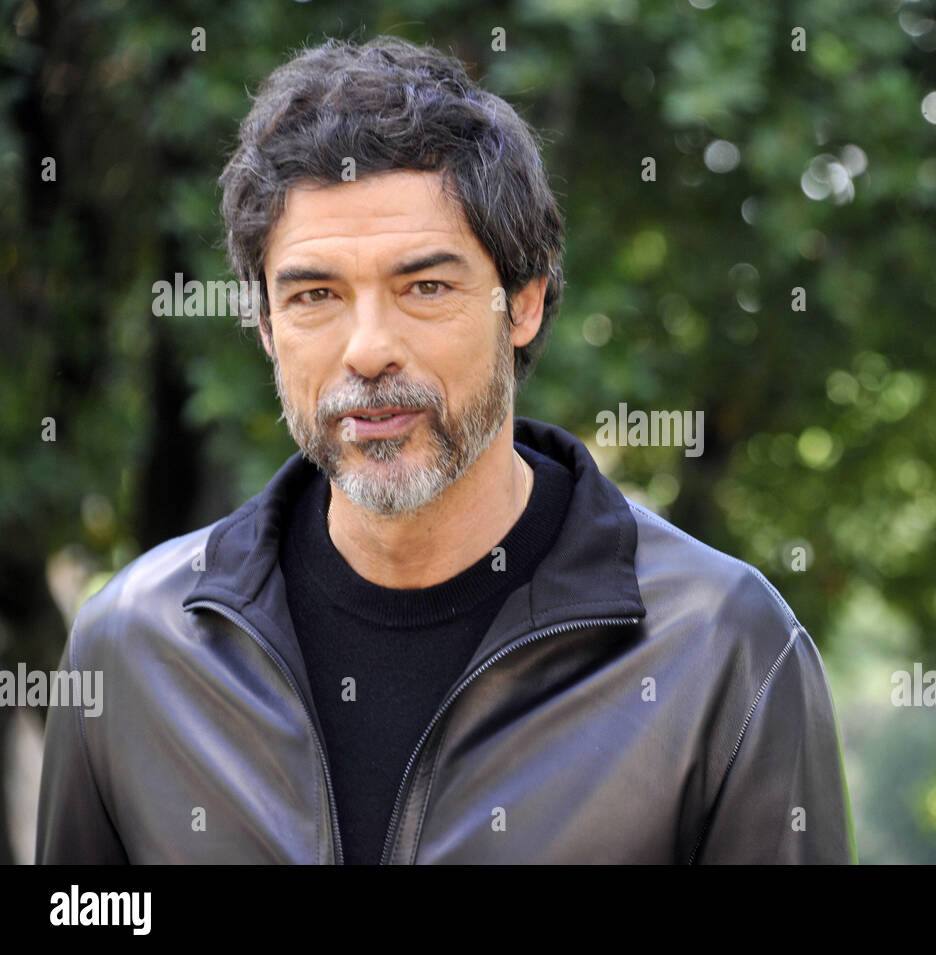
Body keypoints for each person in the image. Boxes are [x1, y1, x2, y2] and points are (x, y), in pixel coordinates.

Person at [35, 35, 855, 864]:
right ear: (265, 327)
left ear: (525, 302)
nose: (368, 349)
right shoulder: (129, 650)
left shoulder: (723, 649)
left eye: (424, 287)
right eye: (315, 295)